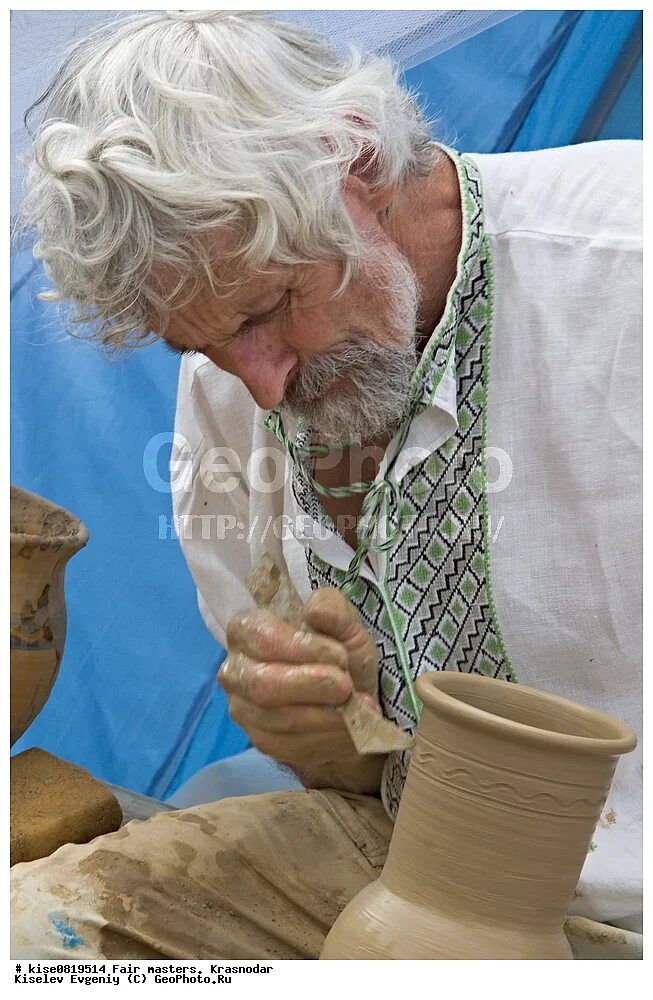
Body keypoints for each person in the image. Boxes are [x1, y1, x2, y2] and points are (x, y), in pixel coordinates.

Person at [11, 11, 642, 959]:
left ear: (357, 164)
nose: (258, 385)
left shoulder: (622, 270)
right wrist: (323, 731)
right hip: (406, 870)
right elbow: (354, 780)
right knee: (38, 942)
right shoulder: (229, 388)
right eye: (207, 345)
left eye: (268, 309)